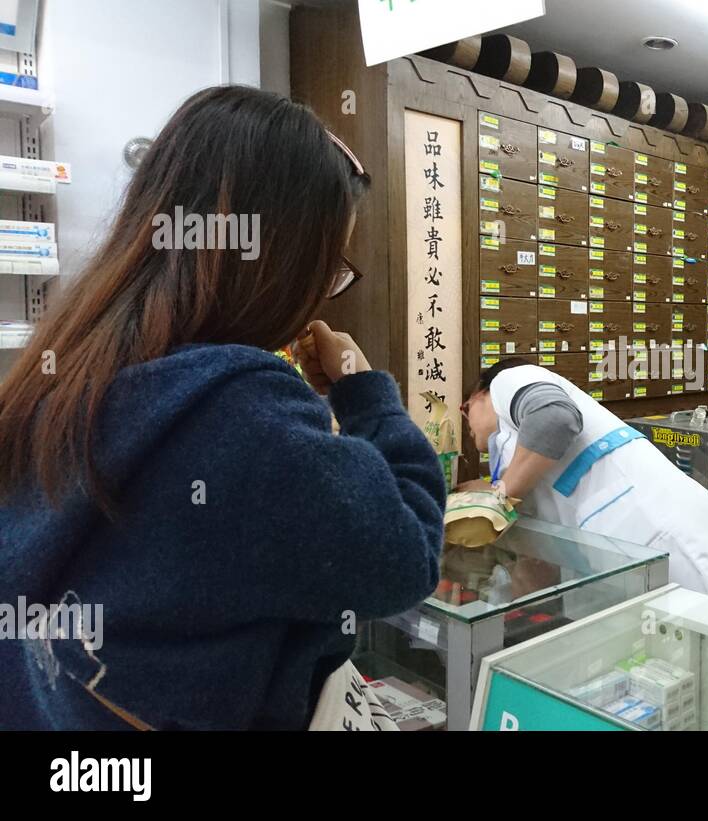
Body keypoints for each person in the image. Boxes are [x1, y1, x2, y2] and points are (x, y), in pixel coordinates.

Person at [0, 87, 447, 729]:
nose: (326, 291)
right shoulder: (239, 407)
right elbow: (405, 557)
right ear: (279, 260)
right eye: (326, 267)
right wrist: (365, 391)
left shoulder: (67, 370)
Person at [459, 359, 708, 617]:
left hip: (665, 528)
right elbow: (537, 572)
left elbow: (554, 418)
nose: (468, 424)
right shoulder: (522, 460)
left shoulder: (511, 379)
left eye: (466, 410)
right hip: (633, 558)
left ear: (481, 393)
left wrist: (497, 498)